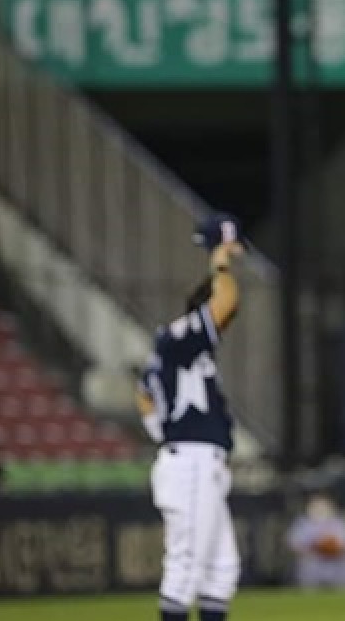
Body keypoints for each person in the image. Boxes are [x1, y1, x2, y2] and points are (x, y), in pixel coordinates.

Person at [136, 215, 245, 621]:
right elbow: (226, 302)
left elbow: (143, 393)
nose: (226, 322)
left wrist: (158, 429)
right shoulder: (181, 336)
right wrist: (220, 264)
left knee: (220, 570)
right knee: (185, 569)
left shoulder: (181, 350)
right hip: (192, 461)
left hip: (194, 461)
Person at [286, 493, 345, 589]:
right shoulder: (303, 523)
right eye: (317, 505)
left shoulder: (339, 522)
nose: (320, 508)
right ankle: (309, 592)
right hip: (315, 560)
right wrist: (316, 547)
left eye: (323, 505)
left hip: (336, 561)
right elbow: (293, 543)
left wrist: (335, 548)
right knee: (306, 562)